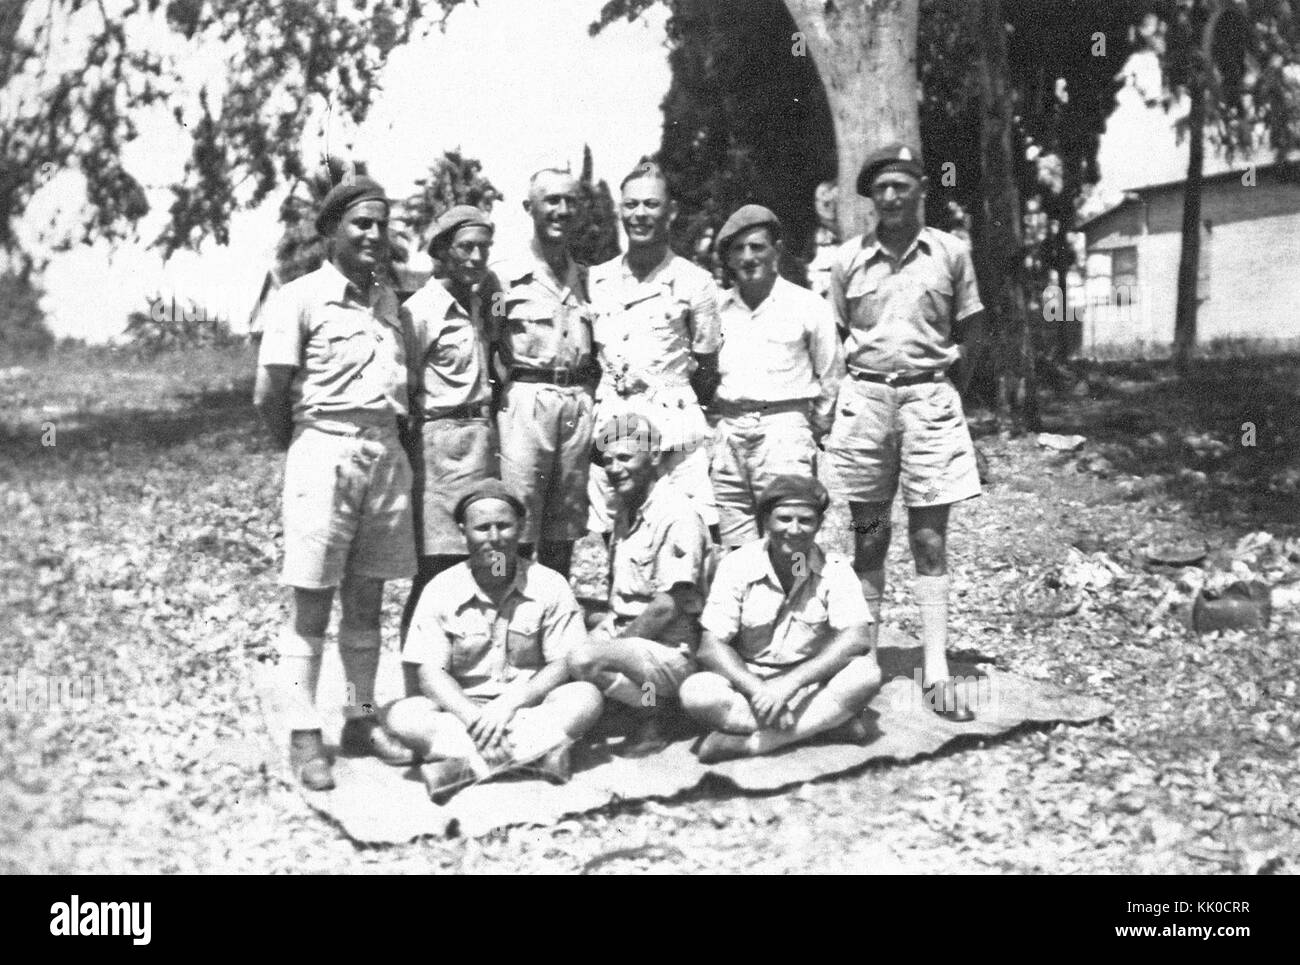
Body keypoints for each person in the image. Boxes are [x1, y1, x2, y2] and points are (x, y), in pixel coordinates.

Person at [253, 176, 418, 791]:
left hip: (384, 452)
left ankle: (360, 717)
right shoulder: (298, 298)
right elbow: (269, 394)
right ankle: (303, 733)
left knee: (368, 604)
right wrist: (304, 452)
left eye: (382, 223)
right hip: (323, 452)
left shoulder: (390, 302)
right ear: (331, 231)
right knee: (311, 605)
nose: (376, 235)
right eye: (362, 224)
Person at [824, 143, 987, 721]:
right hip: (865, 401)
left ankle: (936, 669)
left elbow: (971, 332)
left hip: (929, 400)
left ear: (922, 188)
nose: (891, 198)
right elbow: (833, 340)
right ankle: (863, 663)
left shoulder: (951, 253)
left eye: (902, 185)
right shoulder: (846, 261)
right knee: (868, 535)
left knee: (929, 539)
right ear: (870, 199)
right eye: (881, 189)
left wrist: (942, 393)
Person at [383, 480, 604, 804]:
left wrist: (510, 704)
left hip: (529, 707)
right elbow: (430, 674)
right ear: (463, 532)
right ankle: (537, 759)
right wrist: (473, 717)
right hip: (463, 714)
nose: (494, 538)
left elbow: (563, 663)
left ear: (521, 528)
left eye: (504, 526)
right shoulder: (440, 588)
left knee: (585, 697)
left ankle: (466, 769)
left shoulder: (549, 584)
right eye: (482, 528)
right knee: (404, 716)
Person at [679, 475, 882, 762]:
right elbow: (711, 647)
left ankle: (757, 744)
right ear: (765, 521)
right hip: (751, 688)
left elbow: (857, 638)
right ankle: (824, 724)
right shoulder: (736, 565)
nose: (794, 530)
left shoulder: (835, 569)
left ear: (819, 525)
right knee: (696, 692)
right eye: (784, 519)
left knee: (866, 673)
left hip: (810, 686)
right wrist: (761, 691)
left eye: (806, 520)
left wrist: (790, 685)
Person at [587, 160, 722, 540]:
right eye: (631, 205)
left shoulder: (696, 282)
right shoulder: (597, 280)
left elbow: (708, 365)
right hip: (614, 420)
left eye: (650, 205)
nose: (639, 214)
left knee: (689, 527)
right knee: (617, 529)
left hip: (674, 423)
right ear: (620, 209)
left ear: (671, 212)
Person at [567, 414, 712, 755]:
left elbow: (667, 606)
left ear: (655, 457)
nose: (615, 469)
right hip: (633, 636)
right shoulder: (626, 508)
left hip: (670, 648)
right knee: (563, 651)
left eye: (625, 458)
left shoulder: (677, 514)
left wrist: (613, 647)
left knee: (586, 659)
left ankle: (655, 713)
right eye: (608, 461)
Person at [708, 204, 844, 549]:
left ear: (777, 251)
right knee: (735, 549)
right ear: (728, 259)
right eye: (738, 249)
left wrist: (810, 428)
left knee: (789, 540)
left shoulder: (807, 305)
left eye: (757, 247)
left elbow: (831, 376)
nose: (748, 257)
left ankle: (797, 604)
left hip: (784, 432)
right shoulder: (715, 311)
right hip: (730, 435)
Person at [400, 205, 500, 653]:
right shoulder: (420, 310)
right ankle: (415, 672)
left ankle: (463, 666)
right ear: (442, 252)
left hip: (480, 439)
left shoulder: (478, 301)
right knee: (437, 566)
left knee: (477, 559)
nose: (477, 258)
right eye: (466, 248)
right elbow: (405, 388)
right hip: (439, 444)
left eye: (483, 248)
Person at [491, 168, 597, 578]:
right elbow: (489, 340)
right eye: (552, 200)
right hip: (525, 404)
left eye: (571, 201)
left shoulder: (587, 278)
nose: (562, 210)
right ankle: (505, 606)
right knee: (516, 516)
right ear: (529, 208)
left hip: (576, 405)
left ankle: (554, 612)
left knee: (564, 523)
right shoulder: (502, 279)